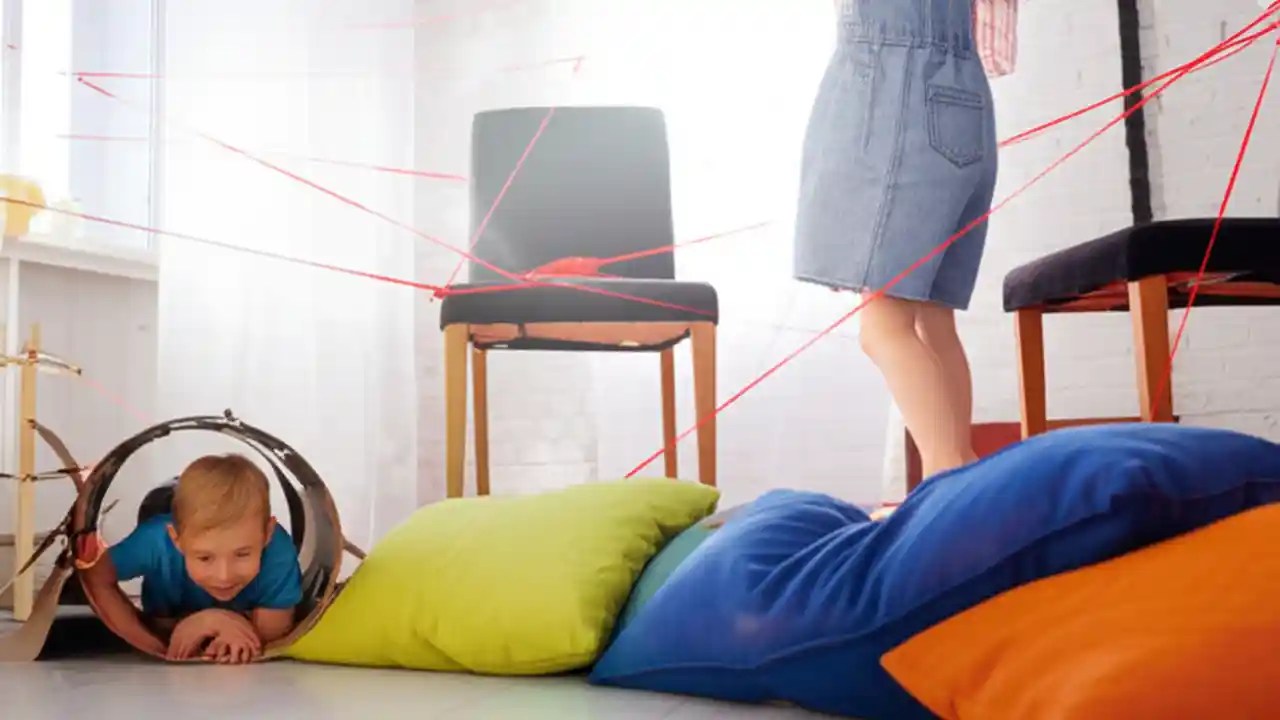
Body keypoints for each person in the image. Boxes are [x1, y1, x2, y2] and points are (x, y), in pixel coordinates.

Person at [794, 0, 1000, 480]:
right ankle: (957, 477)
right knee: (933, 319)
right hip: (962, 91)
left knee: (883, 325)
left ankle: (948, 479)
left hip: (899, 88)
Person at [80, 454, 303, 663]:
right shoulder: (156, 541)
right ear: (176, 540)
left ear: (267, 534)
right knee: (163, 623)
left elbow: (268, 637)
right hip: (167, 609)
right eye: (205, 558)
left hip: (230, 612)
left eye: (242, 554)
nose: (223, 576)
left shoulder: (278, 551)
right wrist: (153, 645)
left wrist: (211, 624)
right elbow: (94, 573)